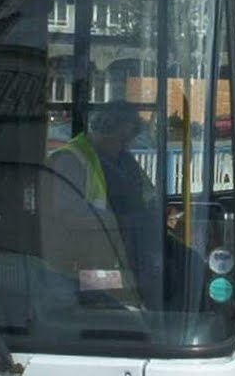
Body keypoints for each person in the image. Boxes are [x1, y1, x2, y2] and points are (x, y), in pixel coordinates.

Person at [47, 100, 164, 304]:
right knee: (135, 291)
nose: (126, 145)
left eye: (130, 139)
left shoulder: (123, 160)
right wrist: (121, 221)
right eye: (122, 138)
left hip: (124, 256)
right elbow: (67, 215)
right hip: (83, 271)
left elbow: (147, 194)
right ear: (106, 130)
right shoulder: (69, 159)